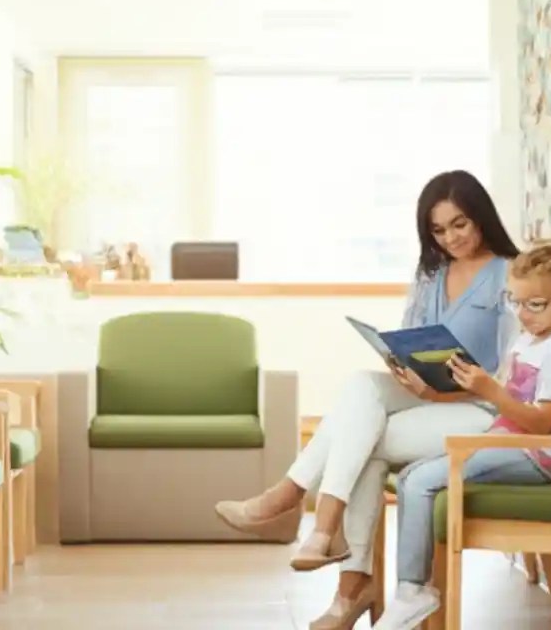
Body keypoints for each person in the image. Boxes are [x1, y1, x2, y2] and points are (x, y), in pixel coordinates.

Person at [215, 170, 520, 630]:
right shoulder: (430, 273)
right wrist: (404, 368)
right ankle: (325, 543)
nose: (451, 238)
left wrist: (442, 390)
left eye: (459, 224)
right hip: (425, 400)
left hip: (479, 412)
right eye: (438, 229)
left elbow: (511, 377)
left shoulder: (511, 274)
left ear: (480, 215)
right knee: (362, 387)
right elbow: (410, 336)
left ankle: (330, 555)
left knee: (362, 440)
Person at [372, 245, 551, 630]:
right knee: (414, 475)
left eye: (536, 305)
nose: (524, 315)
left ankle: (413, 590)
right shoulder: (529, 339)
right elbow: (501, 395)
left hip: (538, 456)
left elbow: (543, 424)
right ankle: (411, 591)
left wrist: (491, 390)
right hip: (507, 441)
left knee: (421, 479)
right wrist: (450, 388)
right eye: (516, 303)